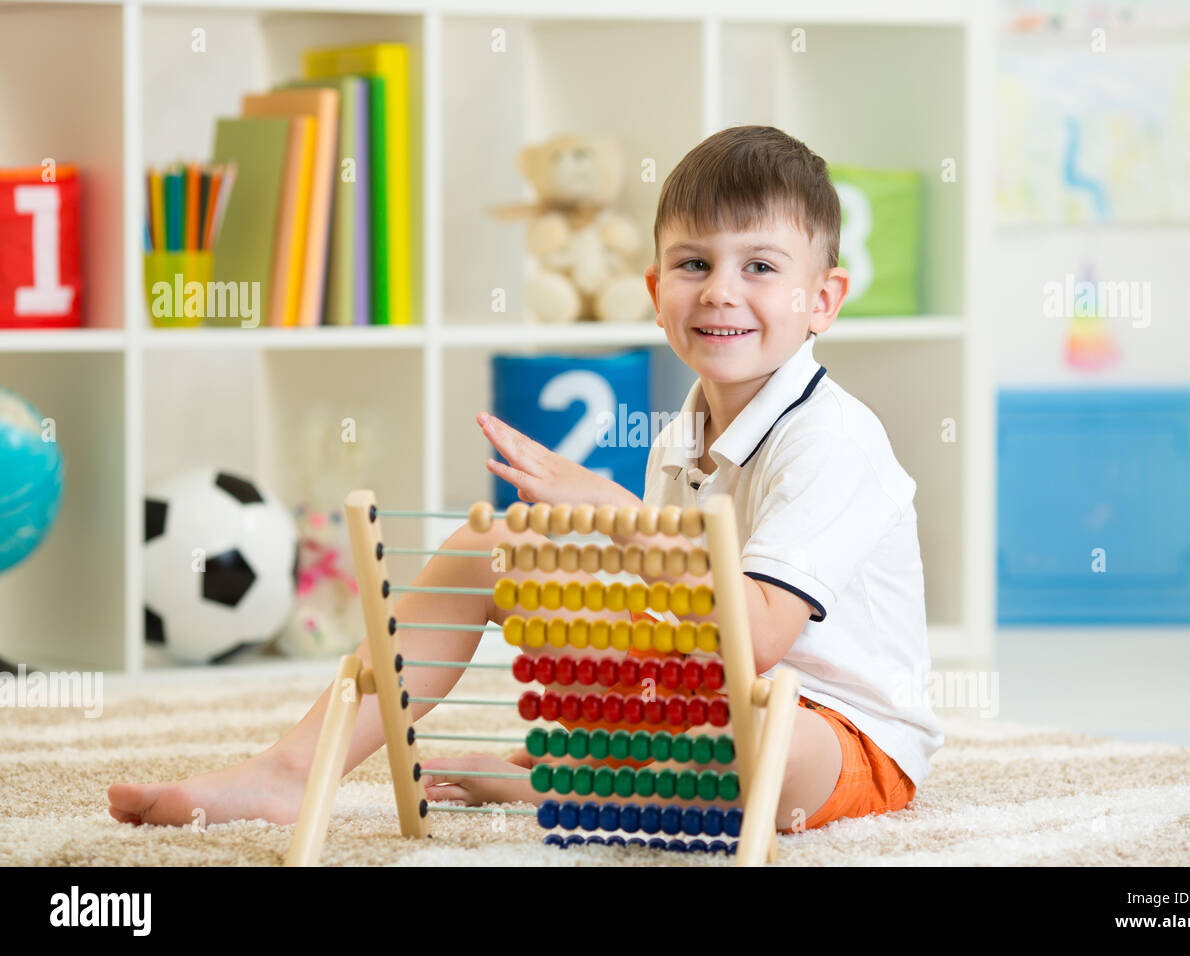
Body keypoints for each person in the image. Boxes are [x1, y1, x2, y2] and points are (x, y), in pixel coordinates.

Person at [108, 125, 942, 835]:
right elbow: (681, 621)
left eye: (760, 266)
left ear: (823, 299)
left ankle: (562, 783)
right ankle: (295, 769)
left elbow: (754, 641)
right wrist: (572, 561)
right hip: (701, 690)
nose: (721, 290)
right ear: (655, 292)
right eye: (693, 263)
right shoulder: (685, 430)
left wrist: (618, 515)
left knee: (759, 743)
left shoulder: (833, 440)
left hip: (834, 730)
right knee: (491, 540)